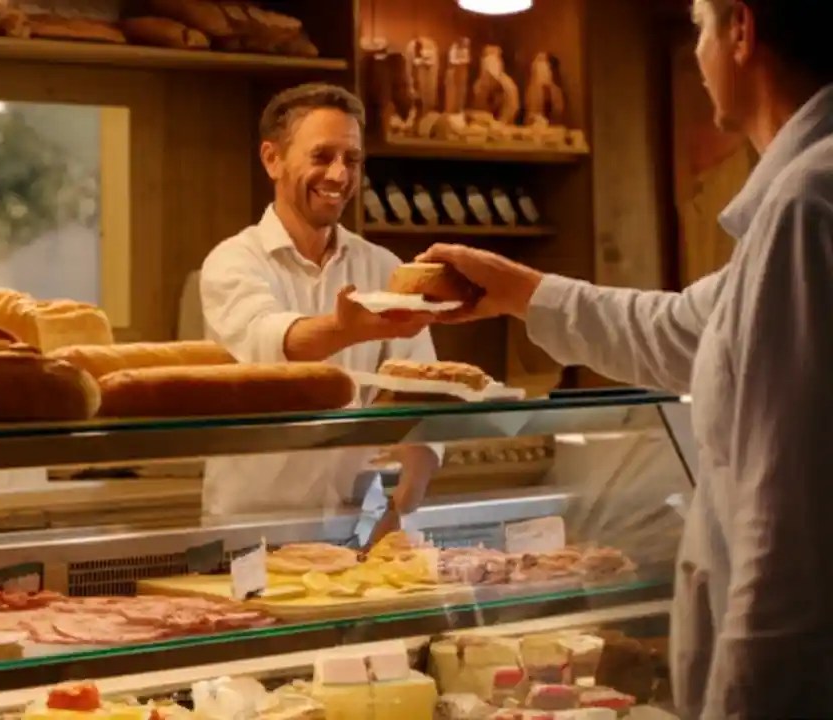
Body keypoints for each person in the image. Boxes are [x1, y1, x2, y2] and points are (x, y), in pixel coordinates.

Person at [416, 1, 833, 716]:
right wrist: (522, 291)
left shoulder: (807, 203)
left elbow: (787, 528)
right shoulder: (801, 197)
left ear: (742, 29)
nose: (696, 57)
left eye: (699, 27)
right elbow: (682, 329)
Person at [199, 83, 441, 530]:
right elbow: (269, 344)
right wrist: (347, 328)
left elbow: (422, 389)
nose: (339, 175)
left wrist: (406, 497)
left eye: (351, 159)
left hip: (358, 527)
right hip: (252, 533)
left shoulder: (382, 266)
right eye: (321, 156)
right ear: (272, 159)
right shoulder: (233, 261)